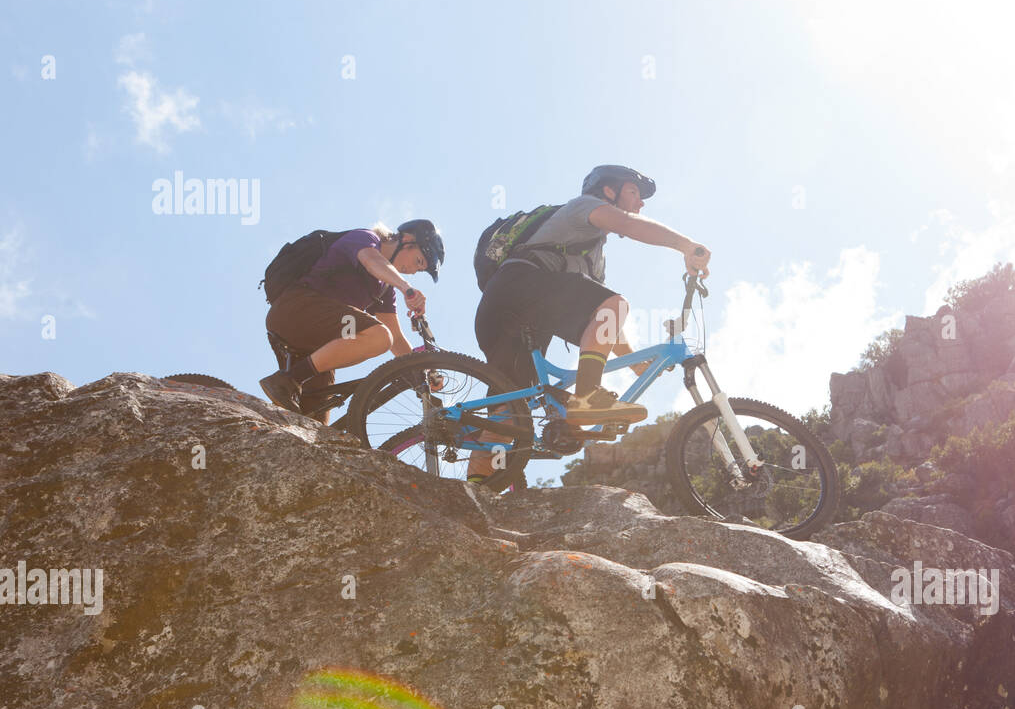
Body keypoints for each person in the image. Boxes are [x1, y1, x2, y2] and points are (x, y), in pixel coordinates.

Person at [469, 165, 710, 482]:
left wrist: (633, 361)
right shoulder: (582, 207)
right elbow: (628, 226)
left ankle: (477, 489)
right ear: (608, 190)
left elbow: (604, 319)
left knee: (508, 414)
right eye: (634, 192)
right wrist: (687, 245)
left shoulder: (594, 258)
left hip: (510, 314)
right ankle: (586, 395)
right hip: (519, 287)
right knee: (617, 303)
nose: (641, 204)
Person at [260, 219, 444, 422]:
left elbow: (398, 340)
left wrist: (422, 370)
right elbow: (373, 262)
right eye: (418, 262)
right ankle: (287, 380)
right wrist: (406, 288)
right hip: (294, 309)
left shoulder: (384, 287)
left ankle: (291, 380)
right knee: (379, 336)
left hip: (317, 347)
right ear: (407, 240)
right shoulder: (365, 239)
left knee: (315, 425)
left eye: (419, 270)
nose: (412, 271)